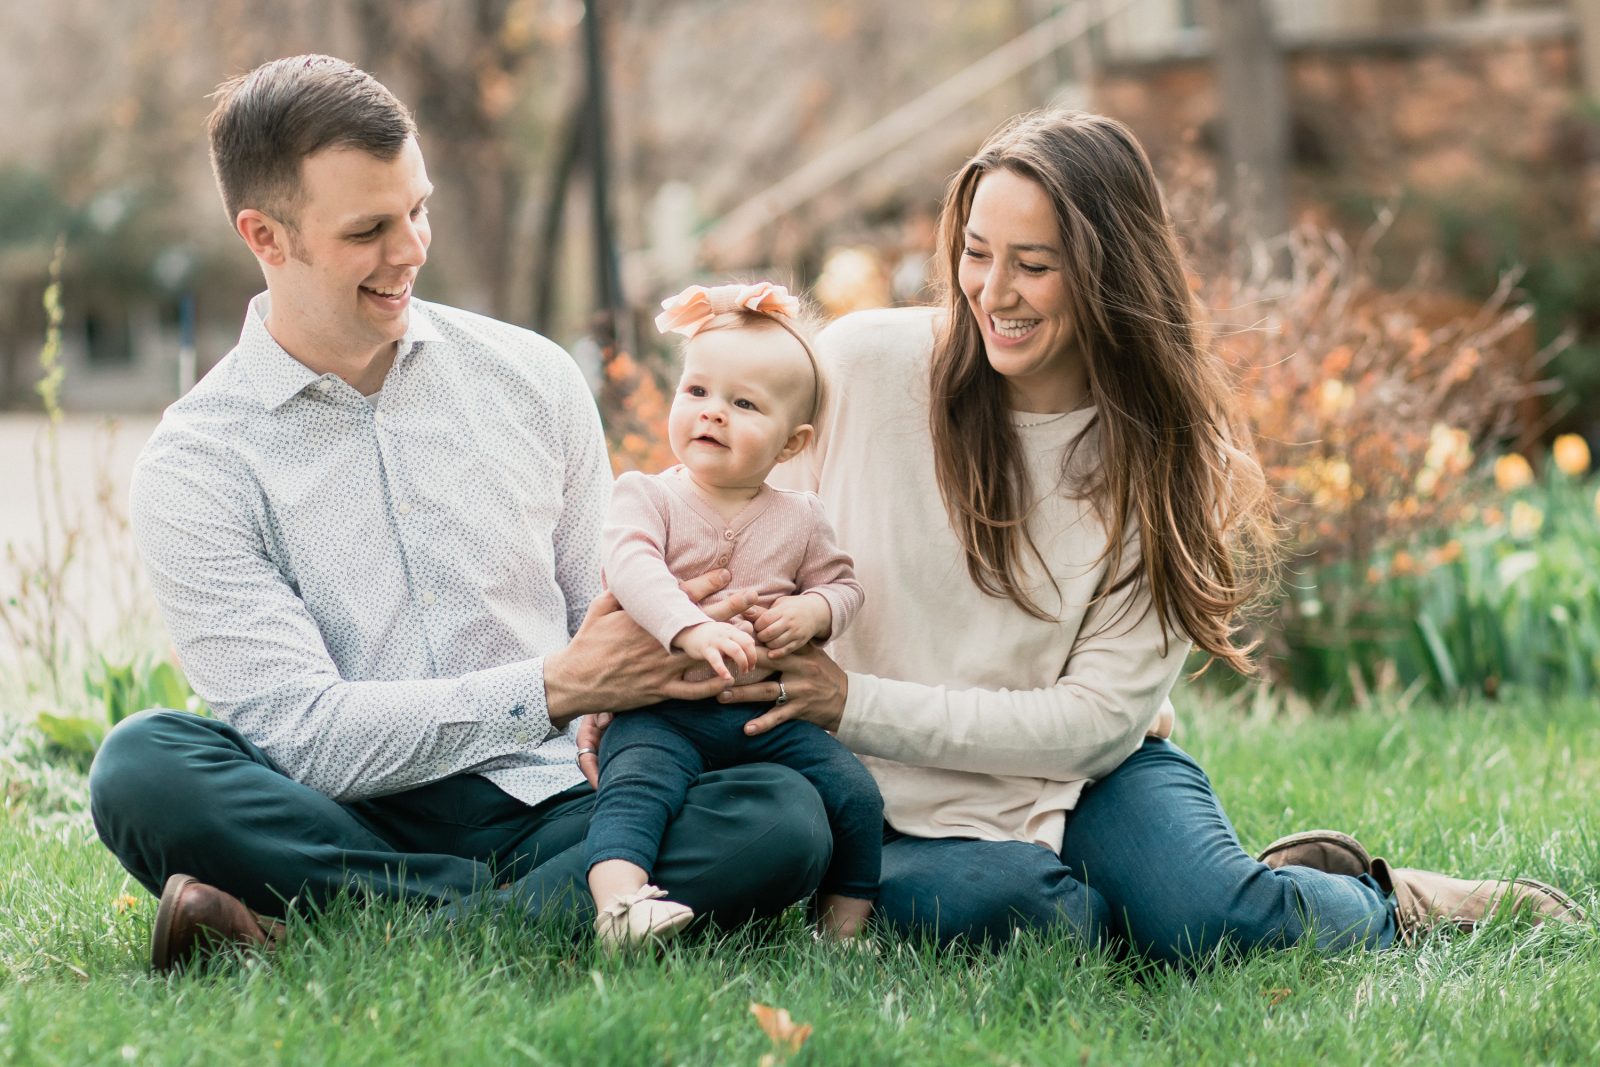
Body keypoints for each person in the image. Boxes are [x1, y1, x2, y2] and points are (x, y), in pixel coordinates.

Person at [586, 110, 1583, 959]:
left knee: (1202, 916)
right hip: (873, 788)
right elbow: (718, 517)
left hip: (1082, 766)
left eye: (1033, 264)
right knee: (1029, 913)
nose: (991, 290)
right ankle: (1087, 892)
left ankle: (1388, 897)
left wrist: (854, 700)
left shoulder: (1157, 458)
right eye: (976, 253)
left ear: (1104, 268)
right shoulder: (861, 365)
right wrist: (627, 662)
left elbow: (1094, 722)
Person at [86, 55, 832, 972]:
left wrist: (682, 650)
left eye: (419, 209)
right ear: (265, 236)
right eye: (369, 228)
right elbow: (308, 737)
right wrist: (555, 686)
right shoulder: (199, 462)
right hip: (344, 812)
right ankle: (517, 921)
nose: (410, 249)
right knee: (143, 767)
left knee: (780, 817)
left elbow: (604, 625)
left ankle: (327, 933)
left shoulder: (532, 377)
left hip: (561, 803)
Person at [584, 281, 881, 949]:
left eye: (743, 403)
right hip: (659, 707)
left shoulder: (800, 517)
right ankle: (622, 908)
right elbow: (630, 568)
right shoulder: (648, 496)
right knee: (634, 788)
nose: (712, 413)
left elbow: (844, 586)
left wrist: (812, 611)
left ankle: (843, 931)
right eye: (697, 392)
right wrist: (688, 625)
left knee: (854, 791)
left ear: (790, 441)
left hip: (760, 716)